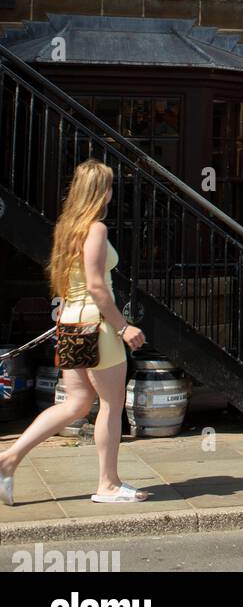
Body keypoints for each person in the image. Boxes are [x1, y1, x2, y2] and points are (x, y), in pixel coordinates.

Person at [0, 159, 147, 508]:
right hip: (97, 325)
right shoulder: (95, 229)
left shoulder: (67, 228)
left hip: (69, 321)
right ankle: (108, 484)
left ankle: (9, 458)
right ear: (100, 191)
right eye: (110, 186)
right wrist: (124, 328)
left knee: (77, 403)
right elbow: (98, 287)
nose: (113, 193)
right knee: (111, 405)